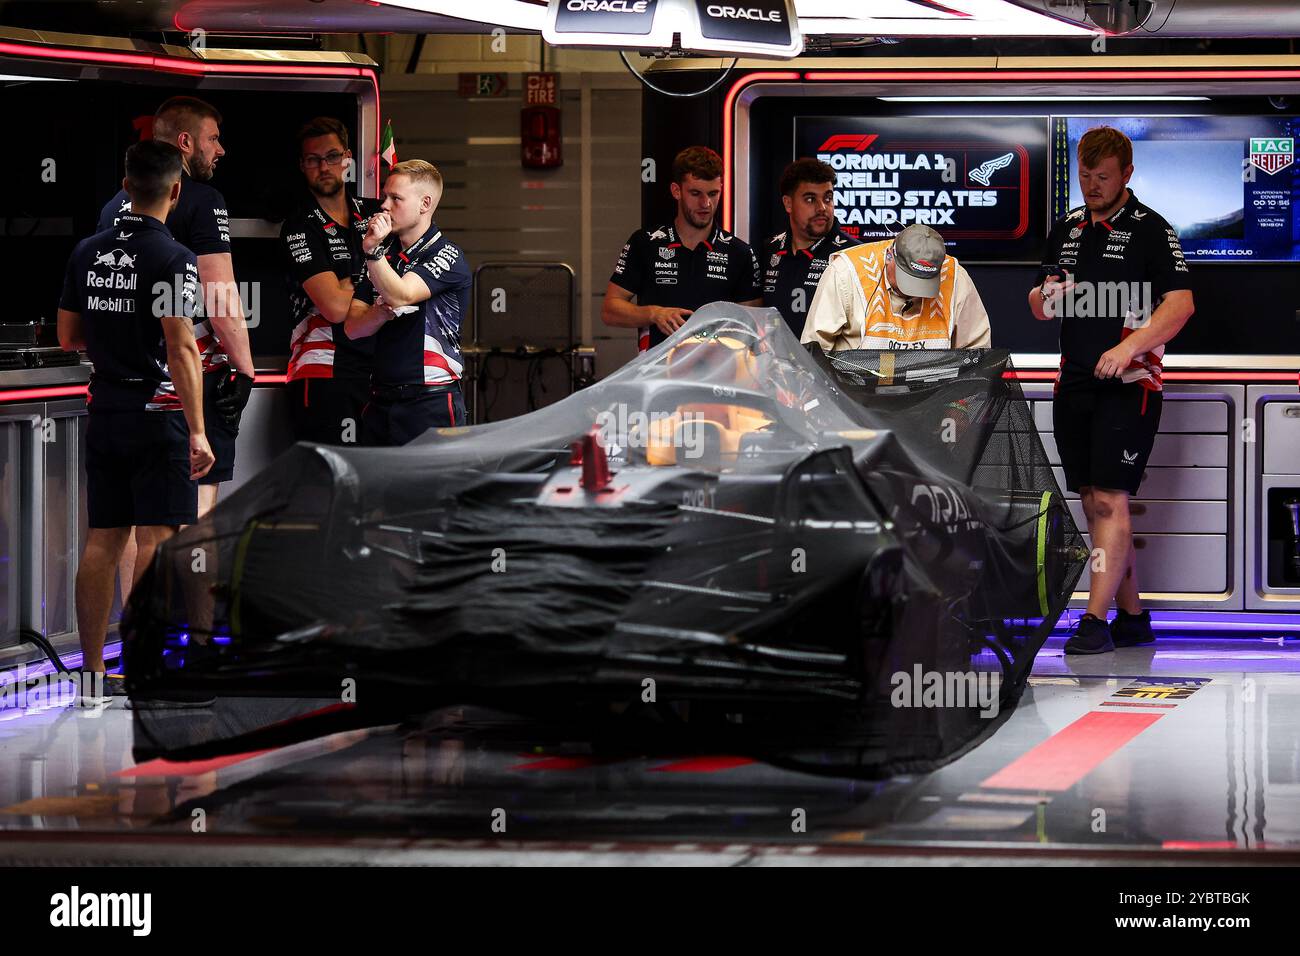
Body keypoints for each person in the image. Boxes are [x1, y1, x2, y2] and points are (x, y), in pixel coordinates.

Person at [1029, 125, 1194, 655]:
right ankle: (1133, 616)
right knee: (1093, 499)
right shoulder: (1067, 228)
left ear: (1127, 174)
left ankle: (1094, 619)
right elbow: (1038, 304)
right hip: (1073, 379)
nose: (1092, 186)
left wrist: (1129, 348)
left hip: (1130, 382)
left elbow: (1181, 304)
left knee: (1109, 498)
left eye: (1102, 177)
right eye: (1084, 175)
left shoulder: (1151, 228)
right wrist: (1047, 294)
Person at [59, 141, 214, 694]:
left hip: (105, 409)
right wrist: (198, 431)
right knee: (156, 538)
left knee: (103, 540)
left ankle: (94, 675)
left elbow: (67, 337)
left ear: (126, 186)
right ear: (176, 191)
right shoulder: (176, 258)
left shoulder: (87, 251)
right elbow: (182, 348)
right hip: (157, 414)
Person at [99, 96, 253, 518]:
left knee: (131, 518)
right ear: (185, 142)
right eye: (213, 139)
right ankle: (187, 587)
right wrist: (245, 369)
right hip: (190, 379)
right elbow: (220, 293)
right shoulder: (204, 199)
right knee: (195, 508)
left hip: (122, 387)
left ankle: (135, 590)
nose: (219, 150)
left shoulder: (112, 207)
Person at [344, 160, 471, 446]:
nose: (384, 206)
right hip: (380, 397)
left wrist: (372, 251)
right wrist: (379, 314)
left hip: (430, 399)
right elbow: (352, 328)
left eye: (396, 198)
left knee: (432, 491)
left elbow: (401, 294)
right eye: (385, 196)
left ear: (425, 204)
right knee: (375, 490)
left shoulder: (447, 253)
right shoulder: (382, 256)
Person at [281, 116, 383, 444]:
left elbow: (407, 281)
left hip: (377, 370)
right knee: (329, 481)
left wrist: (348, 280)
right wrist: (376, 272)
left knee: (374, 479)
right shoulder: (299, 225)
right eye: (313, 160)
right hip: (326, 371)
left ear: (347, 159)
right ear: (302, 165)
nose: (324, 166)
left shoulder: (373, 213)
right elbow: (336, 307)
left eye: (332, 157)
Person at [602, 146, 761, 351]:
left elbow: (752, 327)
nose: (706, 203)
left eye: (713, 193)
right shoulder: (645, 243)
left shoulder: (739, 253)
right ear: (676, 191)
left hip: (717, 374)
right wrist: (654, 314)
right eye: (695, 193)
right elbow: (610, 309)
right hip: (658, 373)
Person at [802, 223, 990, 352]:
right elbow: (813, 351)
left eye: (924, 282)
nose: (913, 291)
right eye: (907, 279)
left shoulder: (955, 278)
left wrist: (958, 409)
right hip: (853, 401)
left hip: (930, 400)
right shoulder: (845, 273)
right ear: (890, 255)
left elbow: (978, 355)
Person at [762, 157, 859, 339]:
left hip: (828, 367)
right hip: (774, 365)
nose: (822, 207)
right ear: (788, 203)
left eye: (828, 198)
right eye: (810, 199)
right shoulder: (768, 250)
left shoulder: (854, 256)